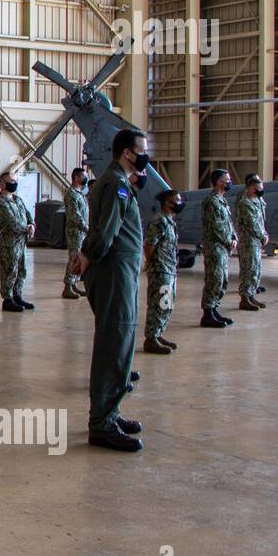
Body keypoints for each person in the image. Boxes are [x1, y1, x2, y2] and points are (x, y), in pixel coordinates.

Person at [72, 128, 149, 453]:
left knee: (121, 343)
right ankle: (101, 423)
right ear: (127, 153)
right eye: (142, 150)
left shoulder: (118, 182)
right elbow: (105, 231)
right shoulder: (116, 184)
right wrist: (89, 256)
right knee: (113, 344)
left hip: (121, 272)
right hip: (114, 272)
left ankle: (110, 412)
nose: (146, 155)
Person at [143, 189, 182, 355]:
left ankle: (158, 334)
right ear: (167, 202)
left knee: (166, 305)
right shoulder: (160, 222)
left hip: (169, 269)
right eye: (177, 200)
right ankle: (151, 338)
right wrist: (153, 263)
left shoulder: (169, 221)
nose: (180, 203)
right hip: (161, 270)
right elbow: (149, 245)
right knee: (158, 305)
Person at [0, 172, 35, 312]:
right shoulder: (0, 202)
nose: (14, 183)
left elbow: (28, 215)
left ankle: (17, 295)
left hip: (22, 241)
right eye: (11, 181)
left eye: (15, 180)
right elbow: (11, 223)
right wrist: (27, 228)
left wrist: (32, 224)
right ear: (3, 183)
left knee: (21, 270)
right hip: (10, 242)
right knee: (9, 270)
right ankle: (7, 299)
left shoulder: (17, 199)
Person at [200, 168, 237, 328]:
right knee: (214, 280)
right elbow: (217, 226)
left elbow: (228, 223)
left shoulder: (221, 200)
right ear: (219, 182)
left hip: (222, 248)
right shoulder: (212, 201)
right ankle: (207, 314)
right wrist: (229, 241)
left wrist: (234, 237)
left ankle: (214, 309)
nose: (229, 182)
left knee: (222, 281)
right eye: (227, 180)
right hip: (214, 247)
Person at [236, 173, 268, 311]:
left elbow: (261, 220)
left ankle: (250, 295)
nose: (260, 191)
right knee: (248, 269)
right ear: (250, 189)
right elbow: (252, 223)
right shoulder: (245, 203)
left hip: (255, 240)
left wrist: (263, 234)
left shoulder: (256, 200)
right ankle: (244, 298)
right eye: (257, 188)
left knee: (255, 269)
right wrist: (263, 235)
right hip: (248, 240)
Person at [62, 167, 88, 299]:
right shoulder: (71, 194)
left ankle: (73, 284)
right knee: (74, 257)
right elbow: (75, 215)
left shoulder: (80, 194)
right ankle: (67, 287)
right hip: (75, 231)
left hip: (81, 231)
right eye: (83, 176)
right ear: (76, 177)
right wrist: (86, 228)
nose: (85, 178)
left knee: (79, 257)